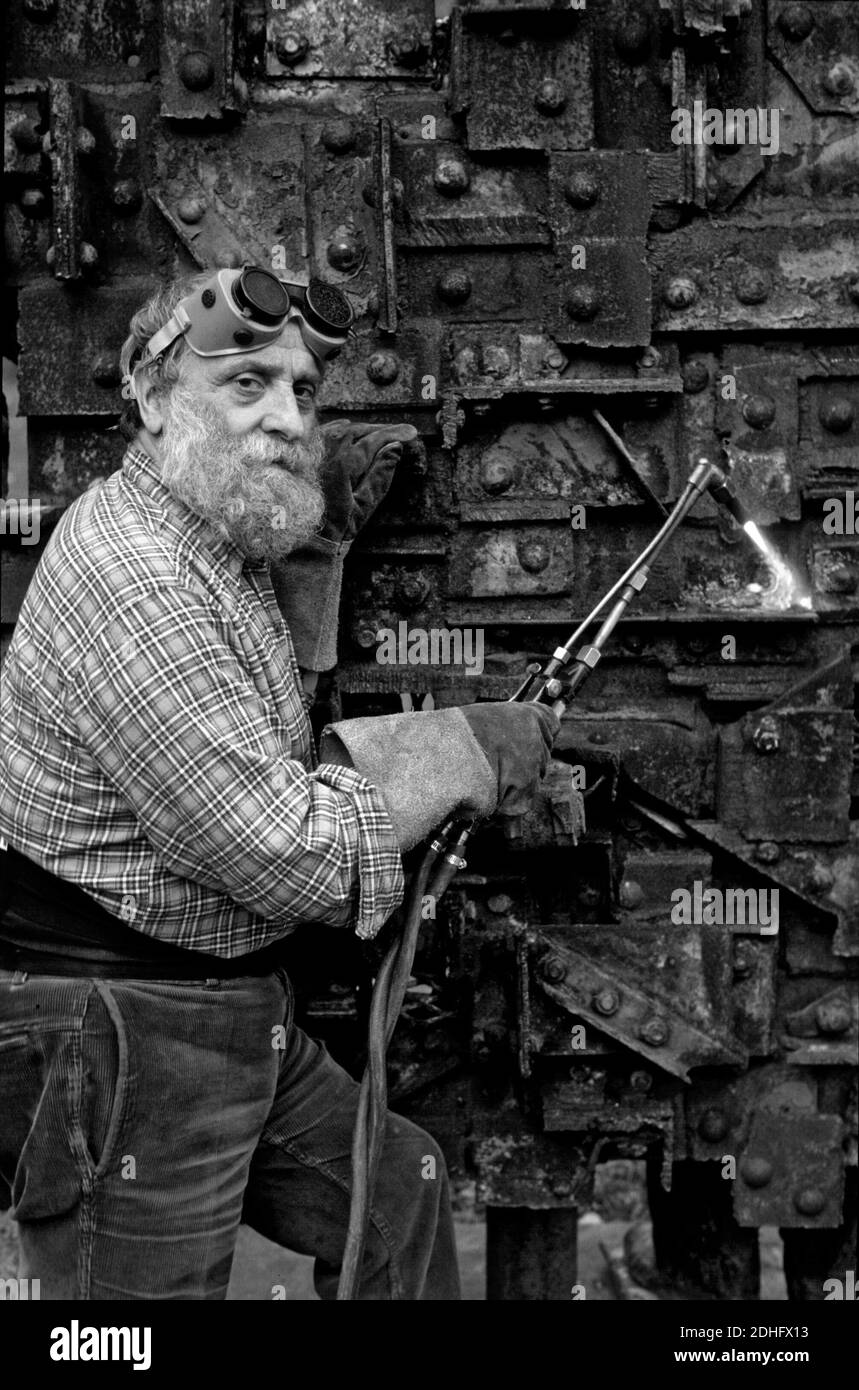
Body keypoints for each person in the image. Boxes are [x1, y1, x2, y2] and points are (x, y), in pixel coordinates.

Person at [0, 266, 558, 1300]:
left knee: (399, 1190)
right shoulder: (135, 577)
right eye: (247, 382)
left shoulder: (213, 539)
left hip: (224, 1003)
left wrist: (320, 546)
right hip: (123, 1027)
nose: (287, 416)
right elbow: (278, 847)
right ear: (155, 397)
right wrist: (459, 754)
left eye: (303, 391)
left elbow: (259, 739)